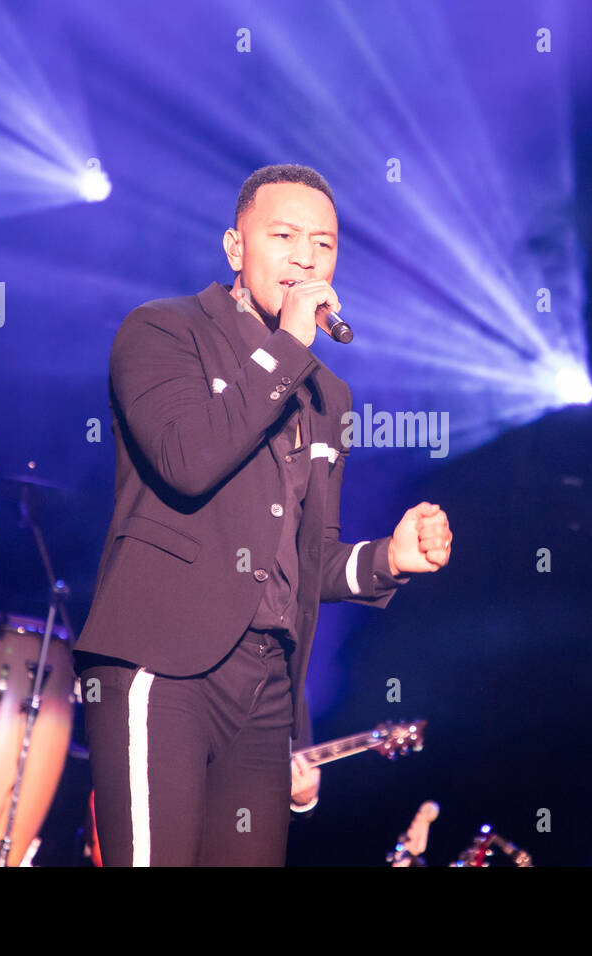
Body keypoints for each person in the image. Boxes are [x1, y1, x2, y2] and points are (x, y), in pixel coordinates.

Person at [75, 163, 452, 866]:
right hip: (165, 661)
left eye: (324, 244)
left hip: (268, 688)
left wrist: (387, 559)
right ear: (234, 247)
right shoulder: (163, 331)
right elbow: (188, 459)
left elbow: (306, 557)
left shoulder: (328, 397)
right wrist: (288, 348)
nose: (306, 257)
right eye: (283, 235)